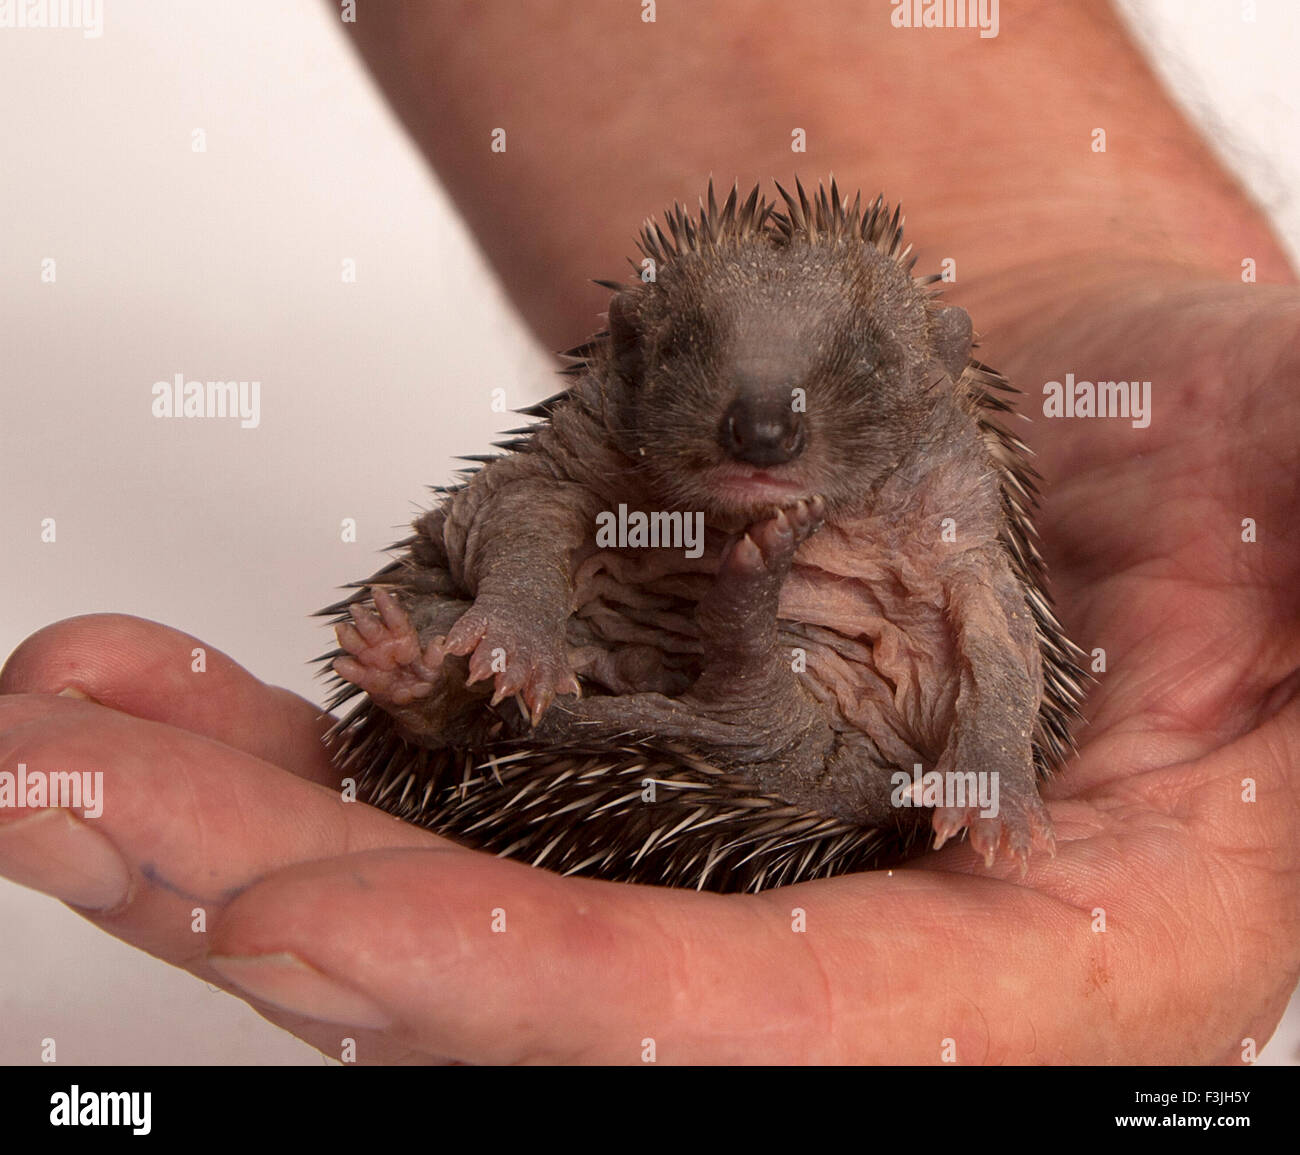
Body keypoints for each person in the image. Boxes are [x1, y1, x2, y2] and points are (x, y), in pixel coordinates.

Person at [1, 0, 1297, 1063]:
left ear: (931, 366)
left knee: (865, 713)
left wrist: (994, 764)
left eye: (817, 386)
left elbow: (995, 652)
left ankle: (537, 707)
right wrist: (516, 616)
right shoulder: (610, 432)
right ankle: (461, 701)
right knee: (483, 592)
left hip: (811, 760)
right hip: (619, 677)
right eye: (715, 379)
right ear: (636, 356)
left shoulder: (937, 481)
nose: (761, 431)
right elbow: (532, 515)